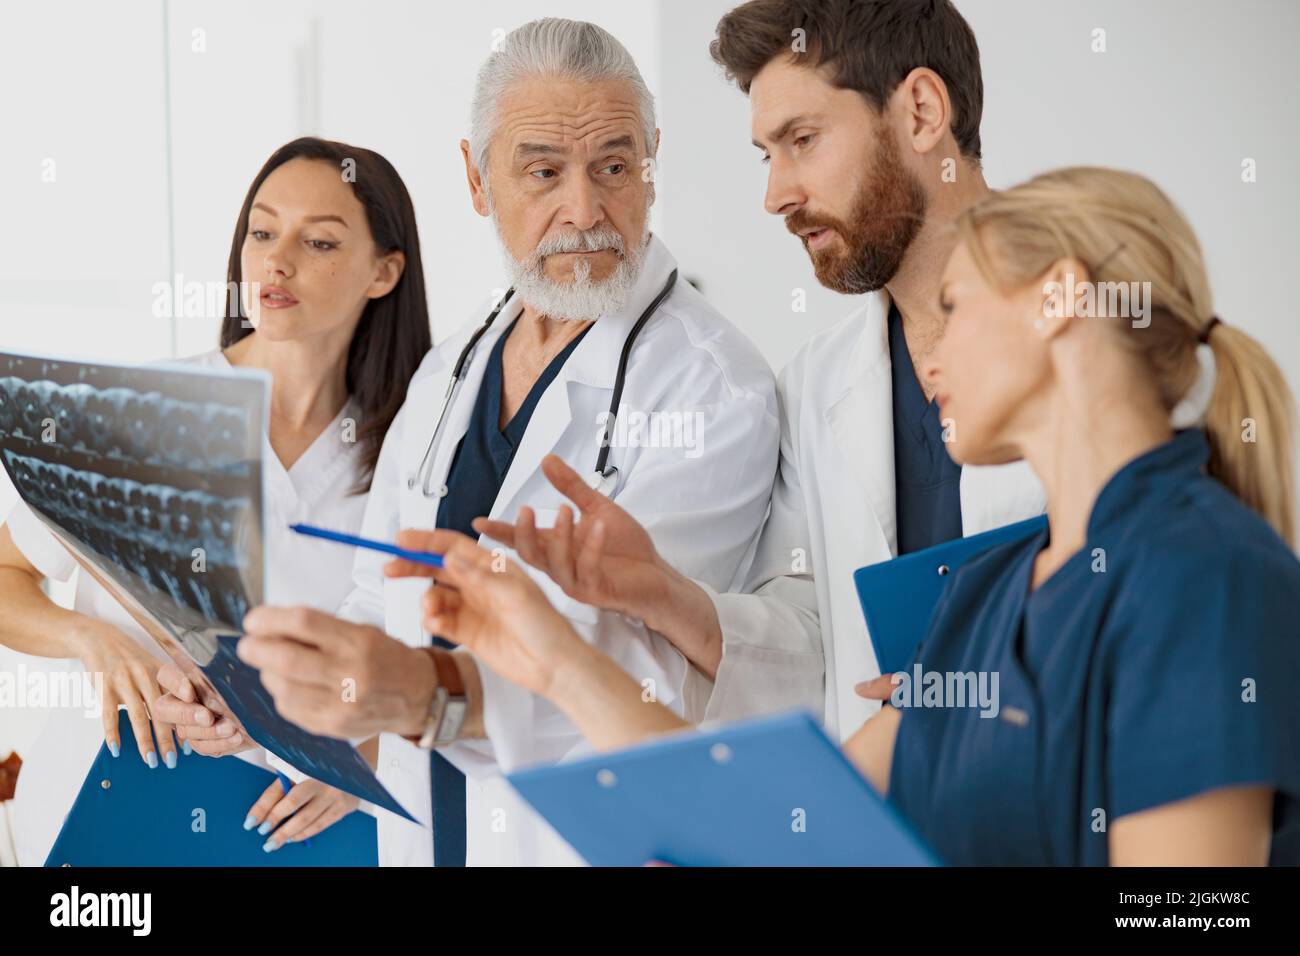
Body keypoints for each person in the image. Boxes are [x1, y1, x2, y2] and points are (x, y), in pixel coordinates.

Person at [382, 166, 1300, 866]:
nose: (929, 359)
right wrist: (550, 654)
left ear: (1059, 301)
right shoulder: (984, 596)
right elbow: (771, 817)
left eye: (956, 308)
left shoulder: (1202, 573)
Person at [226, 18, 780, 867]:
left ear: (652, 164)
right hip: (424, 831)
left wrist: (423, 699)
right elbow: (378, 594)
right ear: (478, 181)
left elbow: (642, 676)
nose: (585, 210)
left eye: (615, 167)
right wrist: (276, 709)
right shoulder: (452, 367)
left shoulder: (711, 385)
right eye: (543, 173)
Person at [487, 0, 1046, 742]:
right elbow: (816, 646)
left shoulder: (1105, 328)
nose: (776, 195)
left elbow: (1171, 617)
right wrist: (665, 595)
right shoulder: (820, 384)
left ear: (920, 112)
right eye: (766, 154)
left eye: (803, 140)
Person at [0, 136, 431, 863]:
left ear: (384, 272)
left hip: (287, 832)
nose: (277, 260)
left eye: (318, 241)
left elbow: (429, 662)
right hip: (104, 813)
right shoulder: (138, 414)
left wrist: (366, 752)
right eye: (262, 232)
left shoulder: (410, 453)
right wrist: (94, 643)